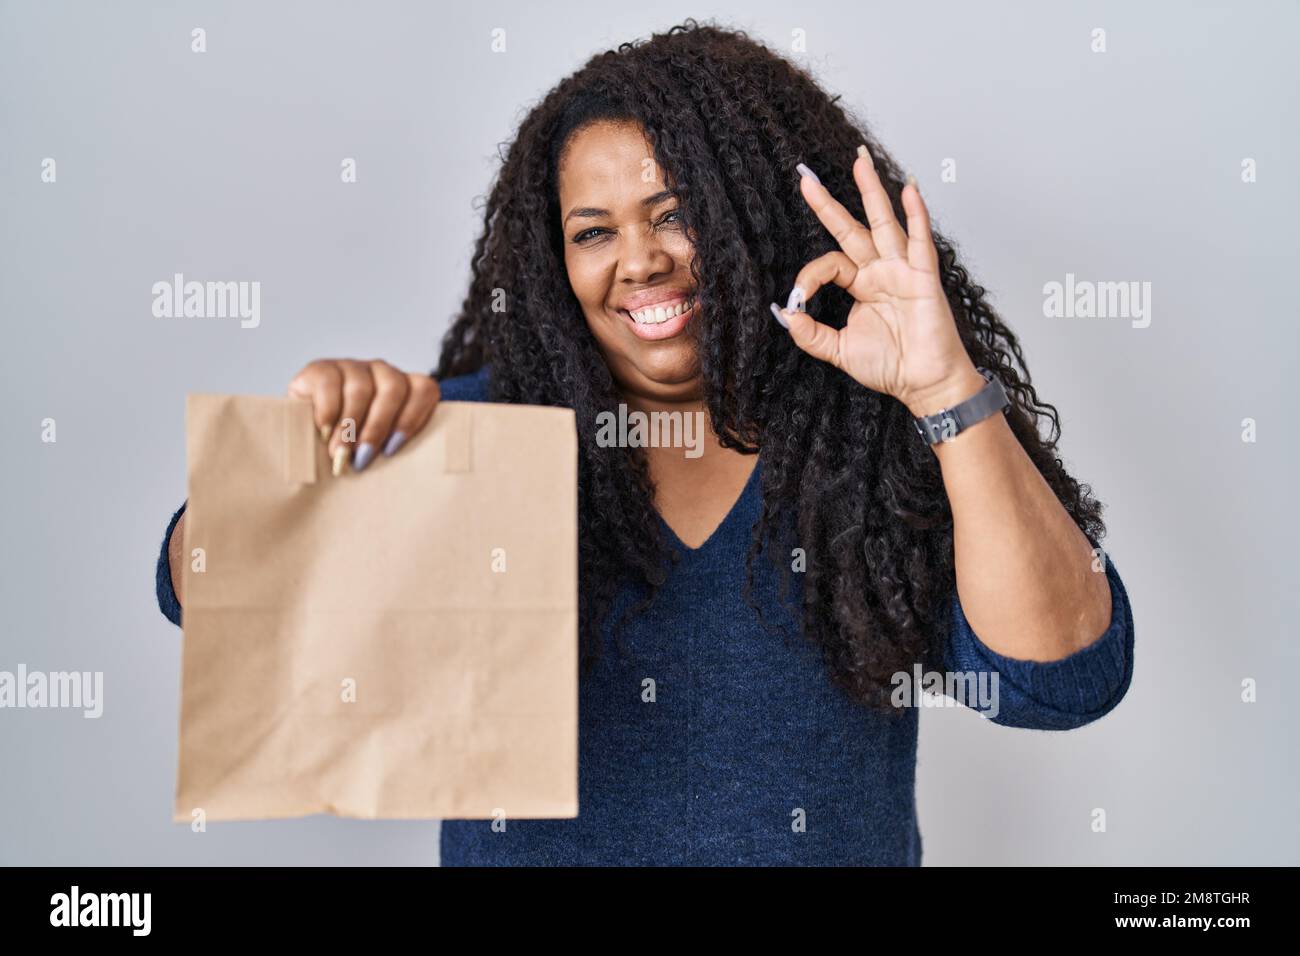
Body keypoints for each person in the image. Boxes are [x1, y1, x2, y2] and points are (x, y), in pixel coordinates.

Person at [155, 20, 1134, 865]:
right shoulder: (477, 439)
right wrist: (309, 464)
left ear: (752, 220)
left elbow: (1061, 677)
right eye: (594, 231)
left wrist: (947, 391)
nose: (640, 261)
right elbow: (203, 591)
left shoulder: (871, 439)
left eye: (675, 216)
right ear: (551, 258)